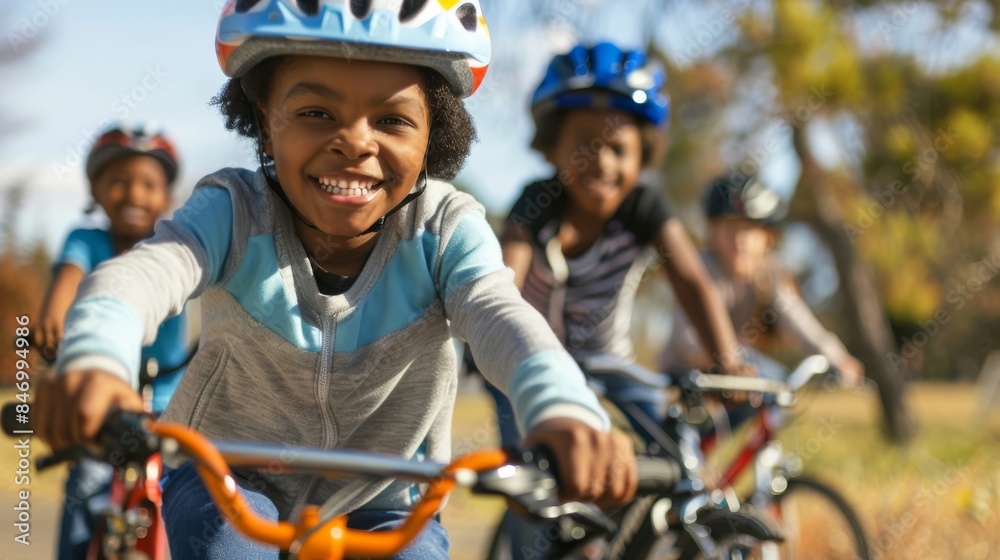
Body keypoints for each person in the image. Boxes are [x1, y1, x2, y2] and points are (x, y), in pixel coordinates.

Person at [34, 3, 637, 559]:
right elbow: (144, 274)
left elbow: (498, 309)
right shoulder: (233, 211)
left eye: (393, 119)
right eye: (316, 112)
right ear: (264, 123)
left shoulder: (445, 229)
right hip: (227, 473)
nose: (354, 140)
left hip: (390, 494)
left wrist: (560, 405)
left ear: (436, 136)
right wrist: (96, 355)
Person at [490, 41, 754, 448]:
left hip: (609, 363)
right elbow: (501, 284)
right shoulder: (534, 205)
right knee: (537, 470)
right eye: (583, 145)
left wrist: (727, 359)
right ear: (552, 146)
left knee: (672, 452)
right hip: (525, 360)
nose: (603, 162)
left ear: (642, 156)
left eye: (618, 149)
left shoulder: (643, 209)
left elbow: (691, 281)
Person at [34, 123, 191, 559]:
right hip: (103, 402)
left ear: (166, 197)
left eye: (148, 184)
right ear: (95, 192)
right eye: (118, 182)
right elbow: (68, 277)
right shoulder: (87, 240)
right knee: (86, 485)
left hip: (168, 402)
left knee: (188, 496)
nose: (134, 195)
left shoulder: (176, 246)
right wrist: (51, 318)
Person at [659, 173, 865, 393]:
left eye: (749, 229)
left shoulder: (769, 274)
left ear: (767, 236)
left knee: (777, 400)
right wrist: (733, 360)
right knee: (771, 378)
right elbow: (687, 340)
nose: (740, 240)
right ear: (712, 232)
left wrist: (836, 357)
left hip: (740, 379)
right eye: (730, 229)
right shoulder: (698, 269)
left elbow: (797, 321)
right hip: (685, 383)